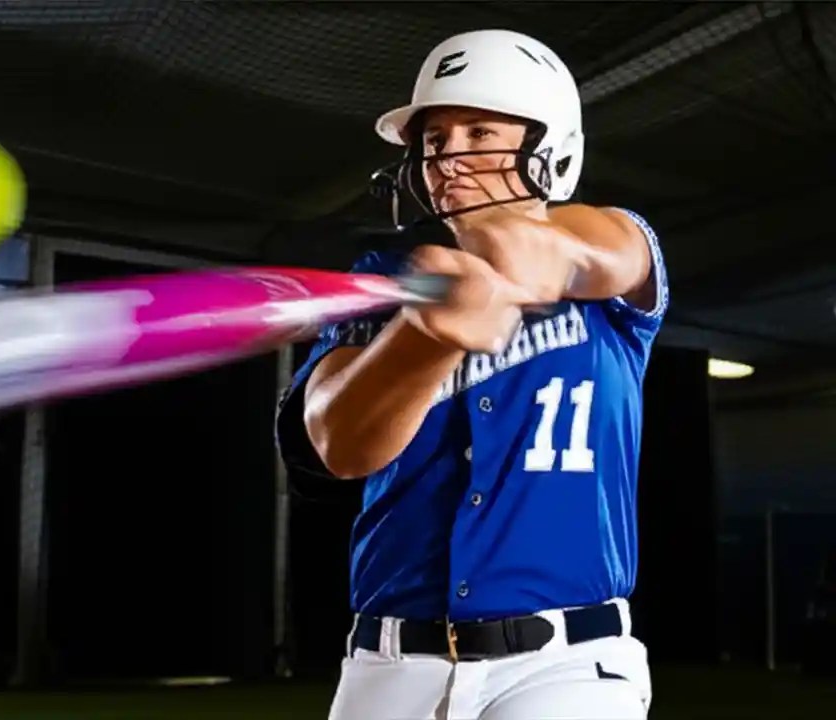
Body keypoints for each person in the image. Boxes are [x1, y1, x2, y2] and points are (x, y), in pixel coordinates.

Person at [275, 29, 668, 720]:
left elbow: (608, 250)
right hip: (390, 662)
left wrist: (538, 247)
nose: (449, 156)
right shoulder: (387, 282)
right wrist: (426, 338)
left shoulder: (609, 254)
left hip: (565, 665)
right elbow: (339, 442)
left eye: (480, 130)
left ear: (551, 148)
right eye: (433, 141)